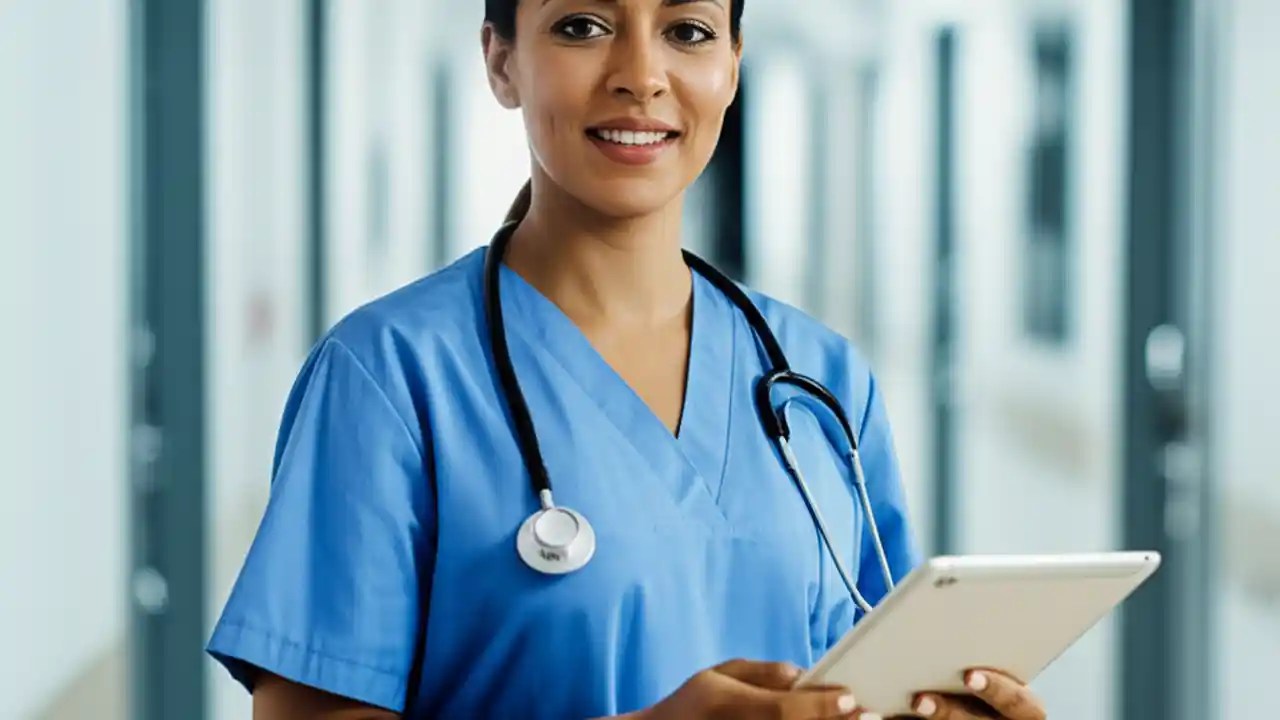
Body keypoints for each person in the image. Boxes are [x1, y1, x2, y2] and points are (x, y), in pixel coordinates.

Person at [207, 1, 1048, 718]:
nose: (640, 74)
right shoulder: (389, 377)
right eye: (583, 25)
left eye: (687, 30)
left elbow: (873, 683)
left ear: (733, 65)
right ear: (501, 62)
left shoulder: (823, 379)